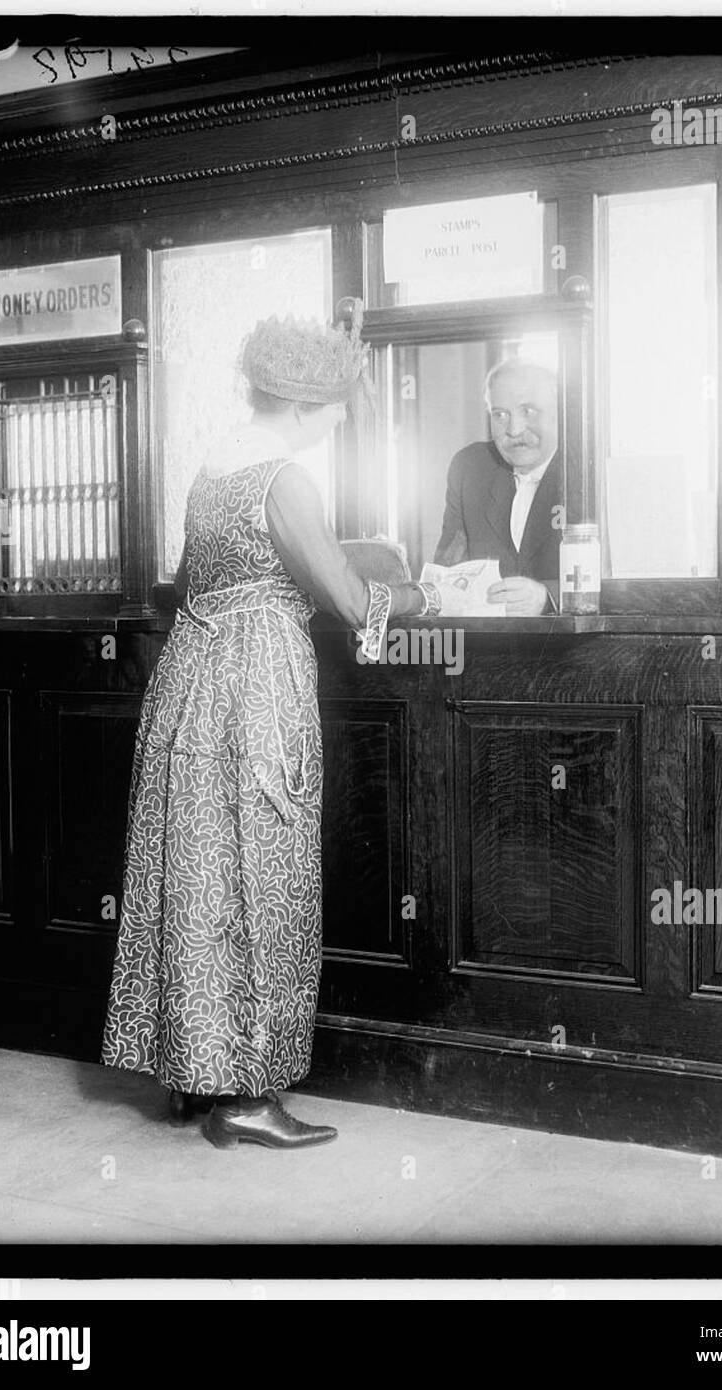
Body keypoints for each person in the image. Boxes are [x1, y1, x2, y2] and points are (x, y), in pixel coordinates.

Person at [101, 305, 437, 1151]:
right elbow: (350, 604)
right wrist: (425, 594)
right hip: (256, 686)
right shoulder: (287, 475)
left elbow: (223, 571)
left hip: (188, 680)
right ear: (300, 404)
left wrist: (349, 549)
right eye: (337, 403)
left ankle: (193, 1075)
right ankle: (249, 1096)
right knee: (264, 877)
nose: (343, 416)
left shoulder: (215, 465)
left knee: (196, 875)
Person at [433, 359, 563, 615]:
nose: (514, 430)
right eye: (500, 414)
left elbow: (616, 584)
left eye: (529, 411)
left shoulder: (584, 472)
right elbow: (448, 574)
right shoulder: (470, 468)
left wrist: (549, 597)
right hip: (484, 646)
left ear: (560, 412)